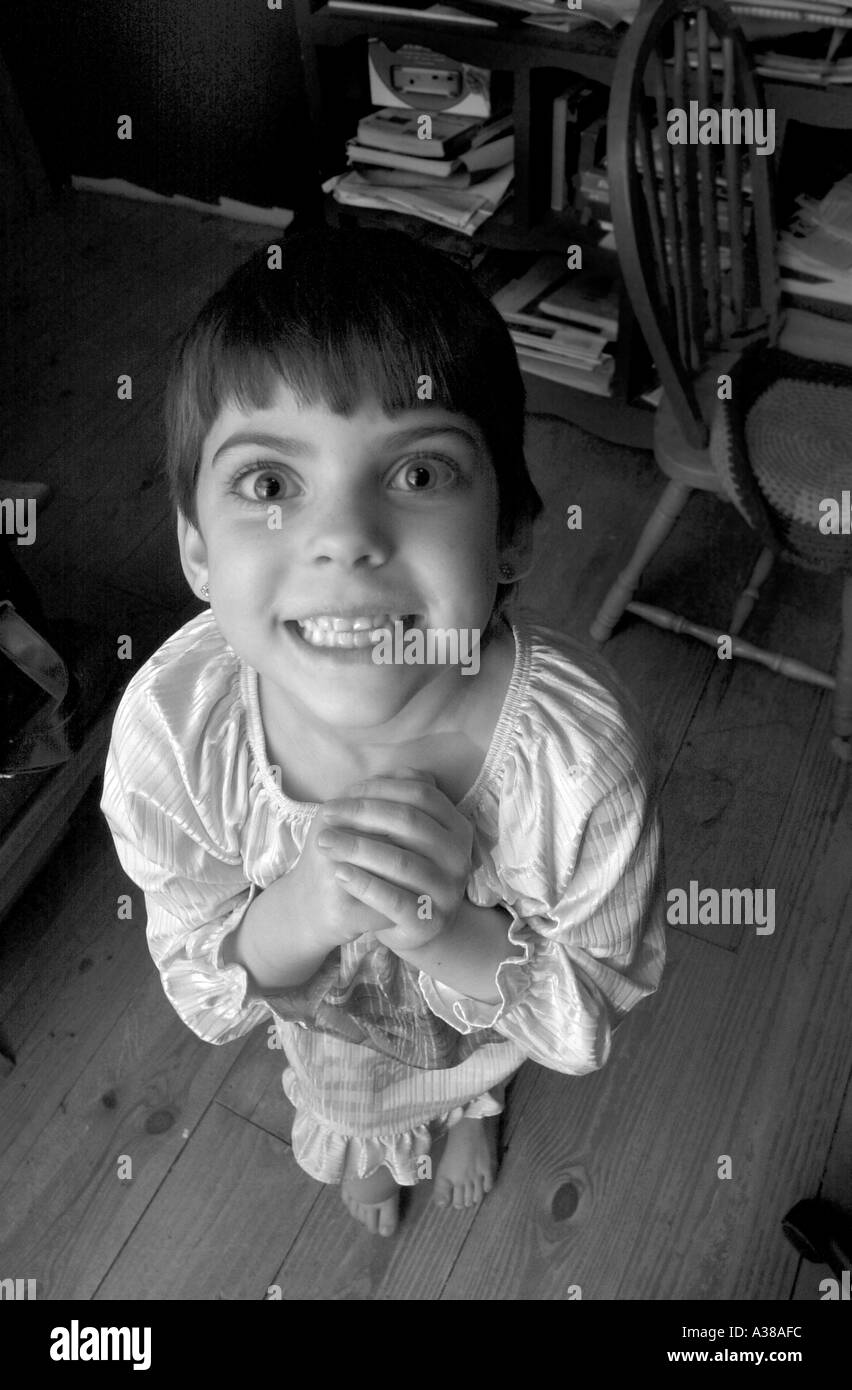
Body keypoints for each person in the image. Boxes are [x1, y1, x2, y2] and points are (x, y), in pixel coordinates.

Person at [100, 227, 666, 1239]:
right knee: (350, 1100)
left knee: (474, 1069)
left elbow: (582, 999)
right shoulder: (178, 733)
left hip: (487, 1012)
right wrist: (310, 904)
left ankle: (467, 1116)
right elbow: (208, 973)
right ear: (195, 548)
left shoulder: (575, 763)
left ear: (512, 536)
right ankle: (373, 1140)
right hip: (330, 1044)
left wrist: (439, 929)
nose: (344, 538)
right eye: (271, 485)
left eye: (416, 474)